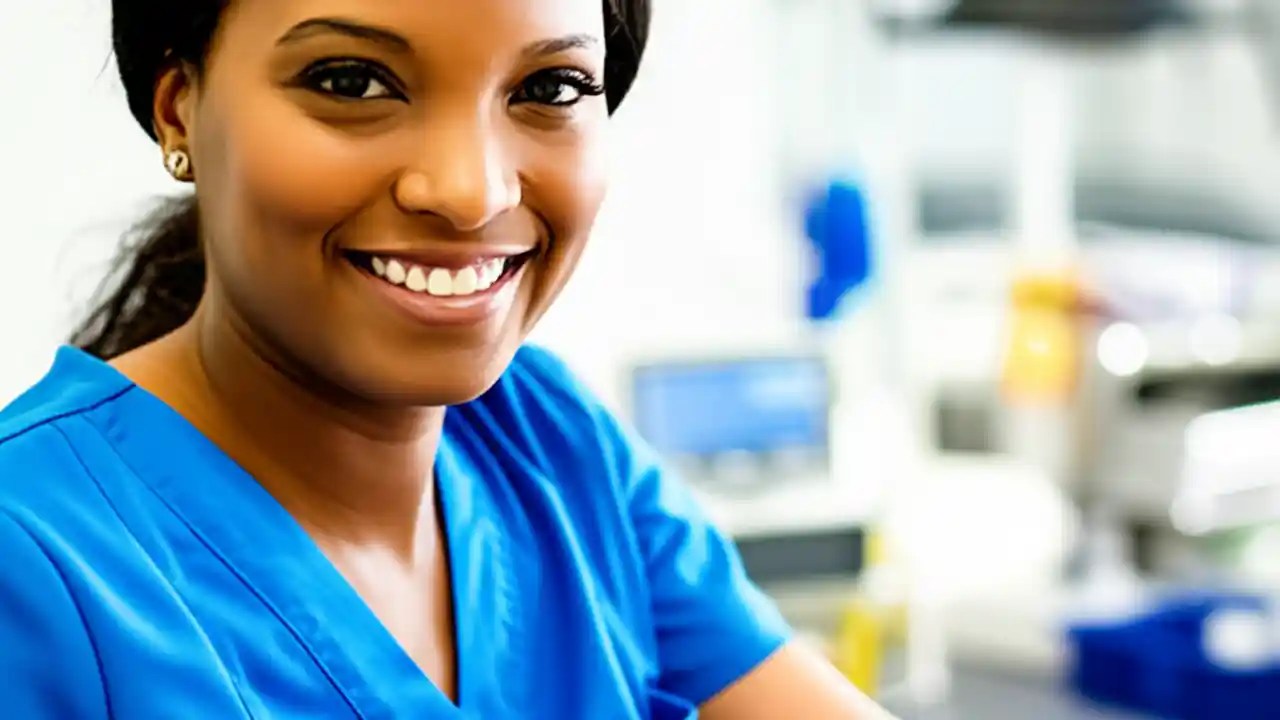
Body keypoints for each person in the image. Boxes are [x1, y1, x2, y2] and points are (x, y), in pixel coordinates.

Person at [0, 1, 891, 718]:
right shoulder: (33, 558)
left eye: (552, 85)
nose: (471, 192)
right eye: (351, 81)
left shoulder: (550, 447)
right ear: (177, 104)